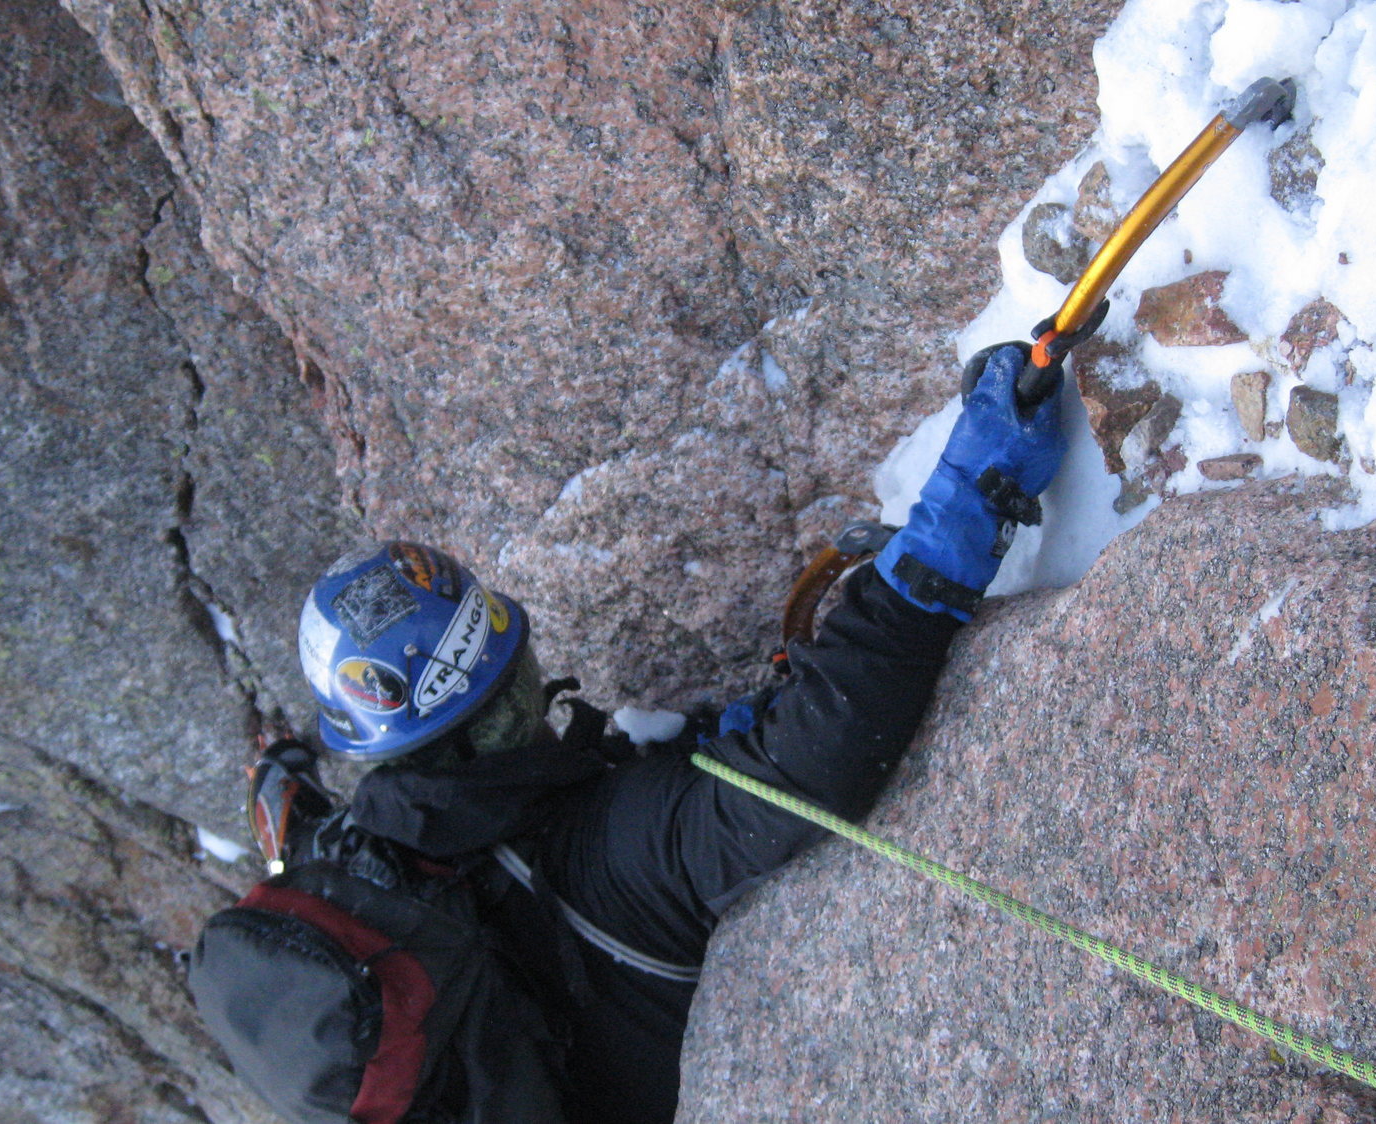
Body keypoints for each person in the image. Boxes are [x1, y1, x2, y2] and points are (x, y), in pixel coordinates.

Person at [192, 341, 1068, 1124]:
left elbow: (296, 826)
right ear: (464, 735)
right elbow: (813, 761)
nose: (530, 698)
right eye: (508, 688)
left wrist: (280, 776)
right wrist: (961, 510)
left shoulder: (367, 862)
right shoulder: (612, 853)